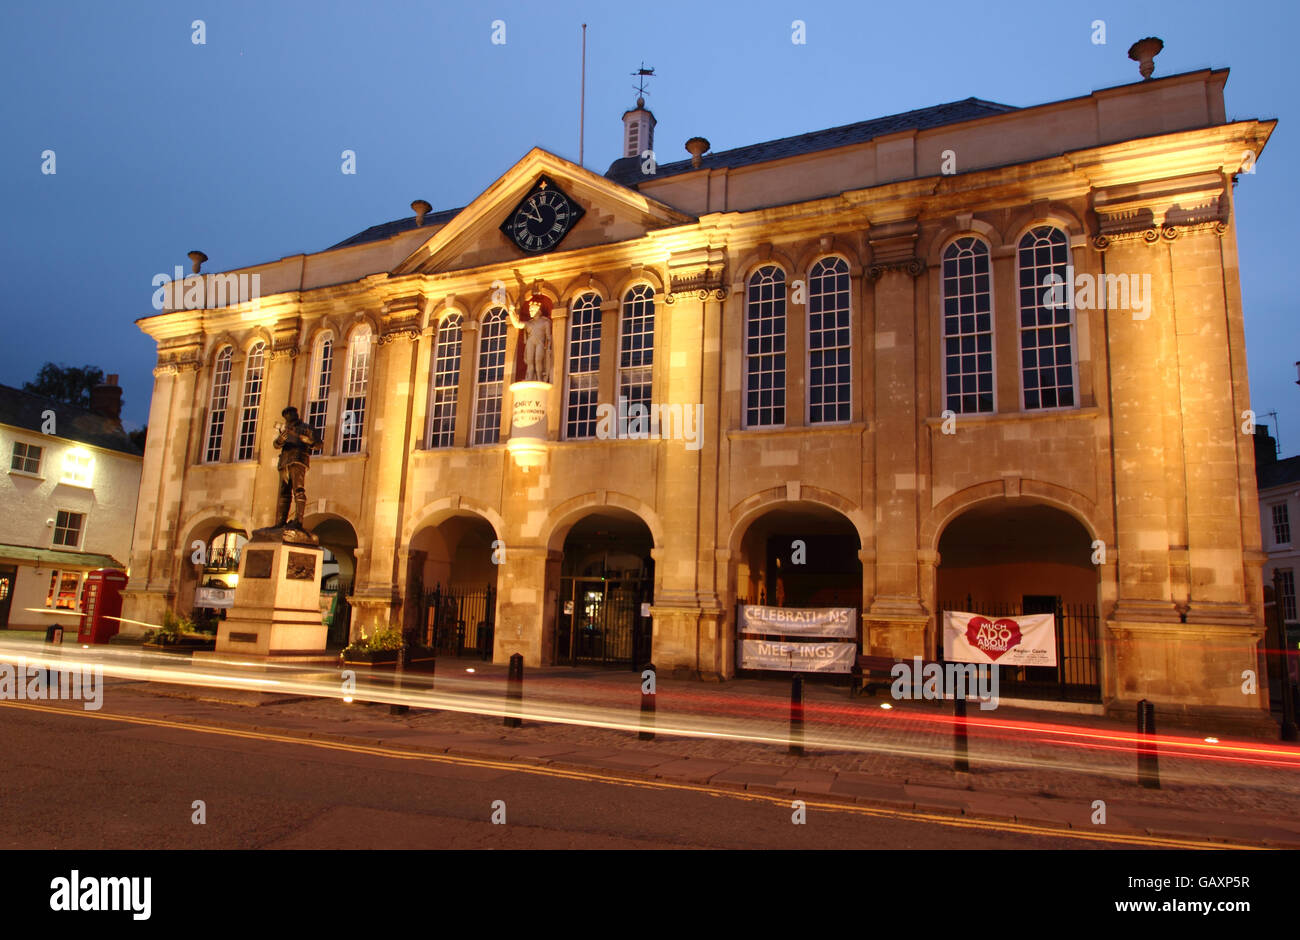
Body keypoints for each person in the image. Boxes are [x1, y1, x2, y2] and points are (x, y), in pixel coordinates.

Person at [272, 406, 323, 529]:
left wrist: (308, 441)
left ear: (295, 414)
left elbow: (319, 444)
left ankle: (298, 521)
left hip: (298, 459)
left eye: (290, 414)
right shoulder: (285, 429)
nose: (288, 417)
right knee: (284, 493)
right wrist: (279, 440)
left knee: (298, 490)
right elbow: (276, 445)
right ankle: (281, 521)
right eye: (286, 415)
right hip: (284, 461)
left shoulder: (306, 427)